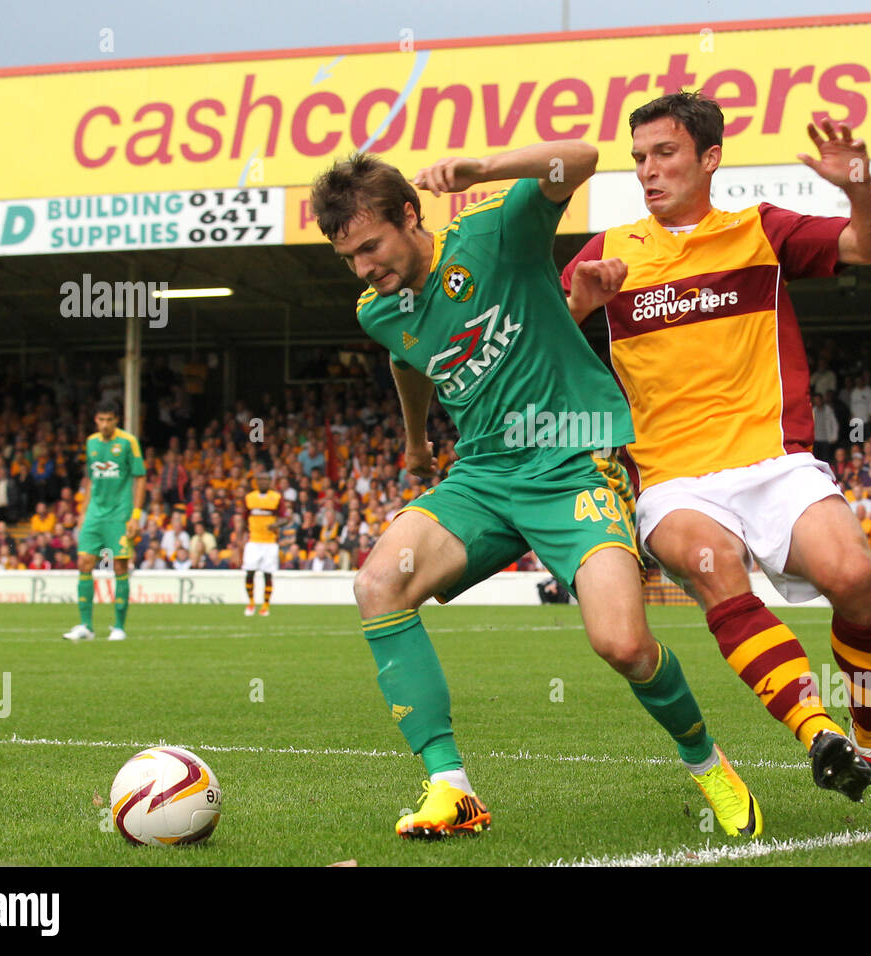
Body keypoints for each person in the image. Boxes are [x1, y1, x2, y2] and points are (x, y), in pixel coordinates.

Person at [311, 141, 760, 841]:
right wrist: (416, 441)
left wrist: (481, 170)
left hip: (574, 463)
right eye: (350, 260)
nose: (366, 269)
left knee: (622, 645)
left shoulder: (494, 232)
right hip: (484, 477)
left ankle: (708, 763)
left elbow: (581, 158)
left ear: (409, 214)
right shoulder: (379, 310)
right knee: (377, 585)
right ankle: (450, 788)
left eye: (372, 247)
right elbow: (409, 359)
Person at [562, 92, 871, 830]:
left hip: (771, 459)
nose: (647, 171)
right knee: (711, 566)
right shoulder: (610, 248)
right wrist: (577, 302)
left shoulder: (758, 230)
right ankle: (818, 734)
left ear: (709, 158)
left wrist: (858, 185)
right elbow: (536, 339)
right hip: (672, 476)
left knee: (858, 584)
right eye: (638, 158)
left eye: (664, 154)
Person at [62, 399, 145, 642]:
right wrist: (83, 510)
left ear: (116, 421)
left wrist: (136, 515)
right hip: (94, 514)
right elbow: (90, 477)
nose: (105, 424)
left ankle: (119, 627)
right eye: (101, 419)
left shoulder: (128, 442)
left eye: (109, 420)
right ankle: (86, 626)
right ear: (96, 420)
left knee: (118, 567)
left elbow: (140, 477)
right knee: (84, 563)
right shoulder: (91, 442)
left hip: (120, 514)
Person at [242, 471, 286, 617]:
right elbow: (244, 518)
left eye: (266, 480)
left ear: (270, 481)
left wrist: (277, 524)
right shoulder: (249, 498)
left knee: (268, 574)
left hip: (270, 542)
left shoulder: (276, 497)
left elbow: (285, 517)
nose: (263, 482)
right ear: (256, 481)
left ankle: (266, 605)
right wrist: (241, 535)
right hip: (253, 540)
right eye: (260, 480)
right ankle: (251, 602)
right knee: (250, 572)